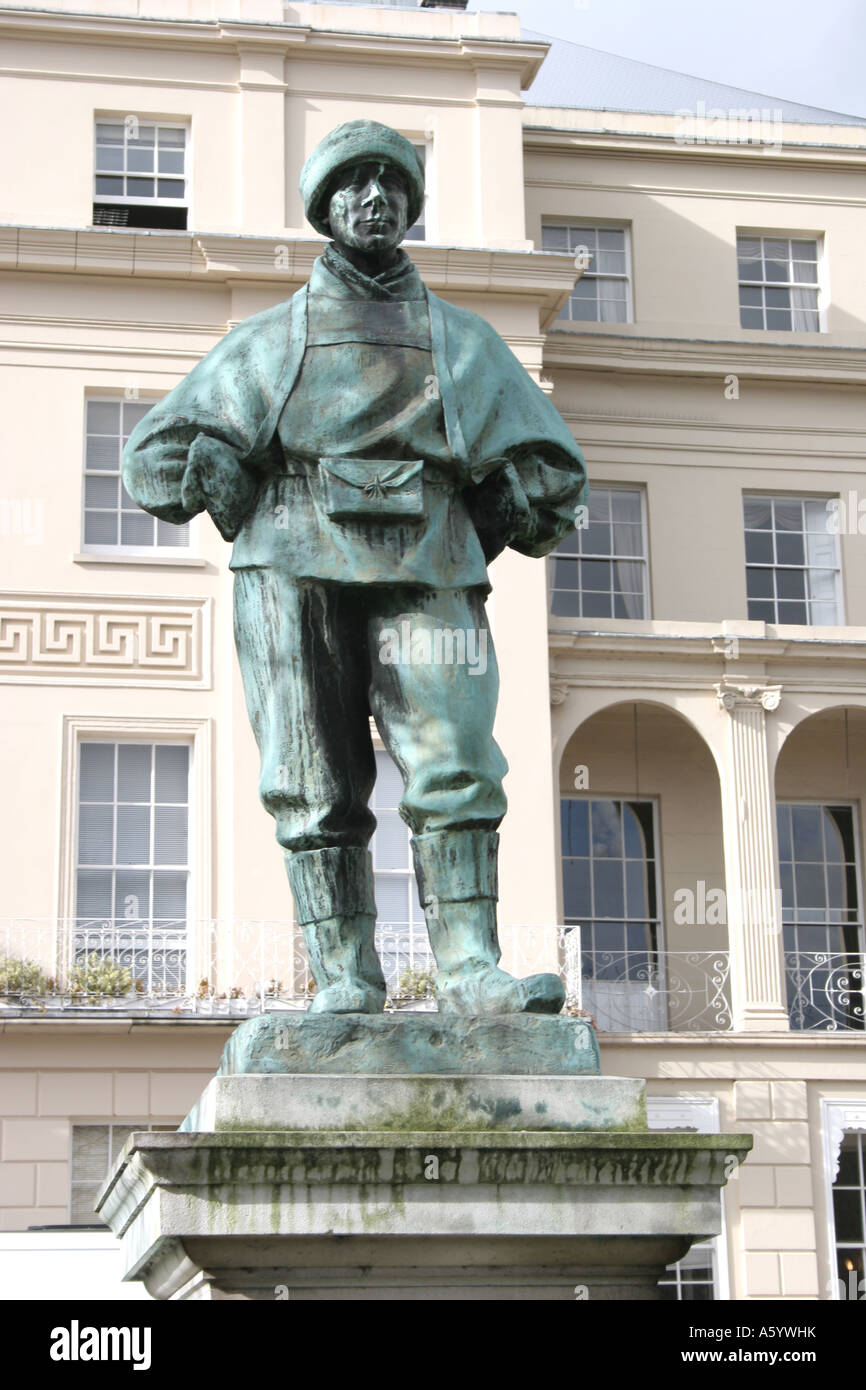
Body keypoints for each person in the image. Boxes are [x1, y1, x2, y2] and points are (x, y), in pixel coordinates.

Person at [123, 120, 587, 1017]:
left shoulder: (463, 342)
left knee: (456, 761)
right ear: (324, 206)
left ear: (411, 207)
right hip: (288, 565)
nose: (374, 197)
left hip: (430, 561)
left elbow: (551, 475)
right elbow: (156, 459)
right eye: (355, 182)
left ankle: (470, 970)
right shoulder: (266, 341)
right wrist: (214, 466)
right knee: (311, 777)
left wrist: (512, 494)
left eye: (392, 183)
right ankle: (343, 977)